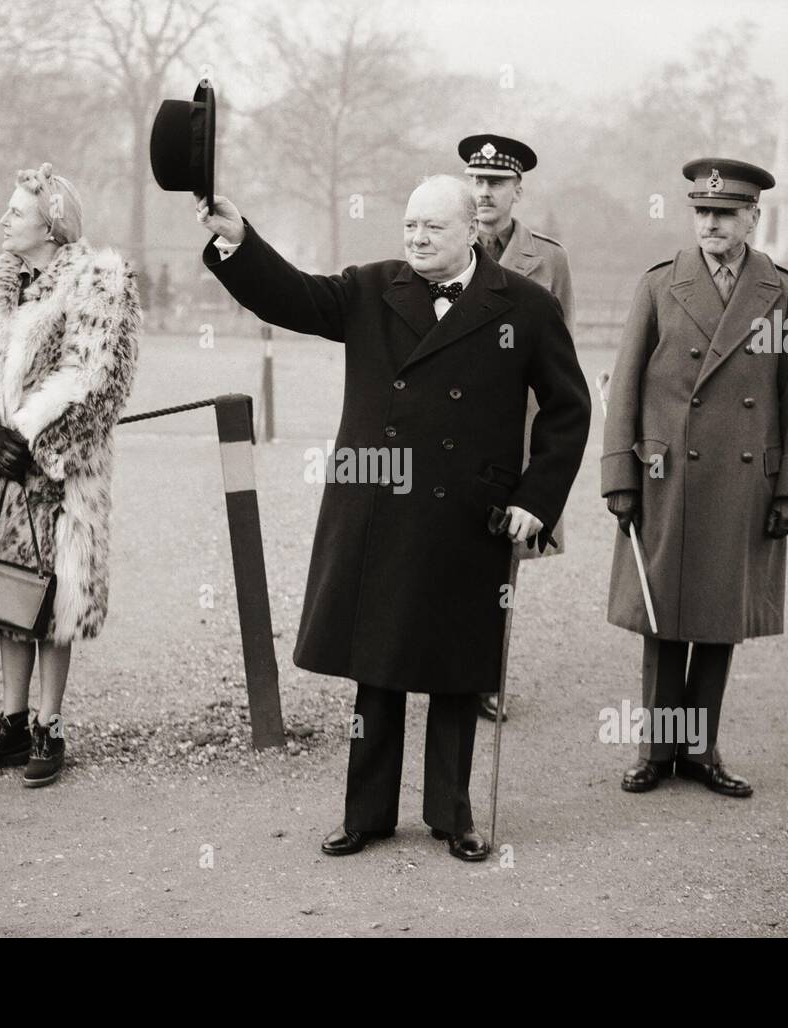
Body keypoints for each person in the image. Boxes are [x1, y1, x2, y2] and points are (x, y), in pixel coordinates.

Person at [198, 175, 591, 861]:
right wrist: (240, 242)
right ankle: (367, 814)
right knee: (375, 670)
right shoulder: (371, 287)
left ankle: (454, 814)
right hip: (380, 506)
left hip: (473, 515)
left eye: (431, 228)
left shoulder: (524, 306)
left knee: (457, 670)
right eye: (409, 226)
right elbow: (293, 295)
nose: (415, 238)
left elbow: (569, 407)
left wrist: (537, 498)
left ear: (472, 229)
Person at [602, 158, 788, 799]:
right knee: (662, 615)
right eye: (703, 212)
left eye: (725, 214)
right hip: (667, 475)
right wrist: (620, 474)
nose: (712, 224)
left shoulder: (781, 289)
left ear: (753, 217)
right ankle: (655, 750)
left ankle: (700, 750)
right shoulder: (660, 284)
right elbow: (627, 383)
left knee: (721, 620)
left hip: (744, 481)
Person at [0, 163, 140, 788]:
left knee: (55, 593)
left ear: (49, 225)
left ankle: (49, 724)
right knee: (3, 590)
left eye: (15, 213)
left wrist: (34, 435)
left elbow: (96, 374)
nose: (2, 221)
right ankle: (12, 721)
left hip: (58, 468)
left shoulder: (98, 282)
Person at [459, 134, 577, 722]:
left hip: (514, 429)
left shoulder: (547, 260)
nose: (484, 193)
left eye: (497, 183)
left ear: (517, 190)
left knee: (500, 562)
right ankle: (437, 667)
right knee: (440, 548)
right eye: (477, 181)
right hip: (451, 427)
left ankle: (485, 678)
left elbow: (561, 360)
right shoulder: (442, 241)